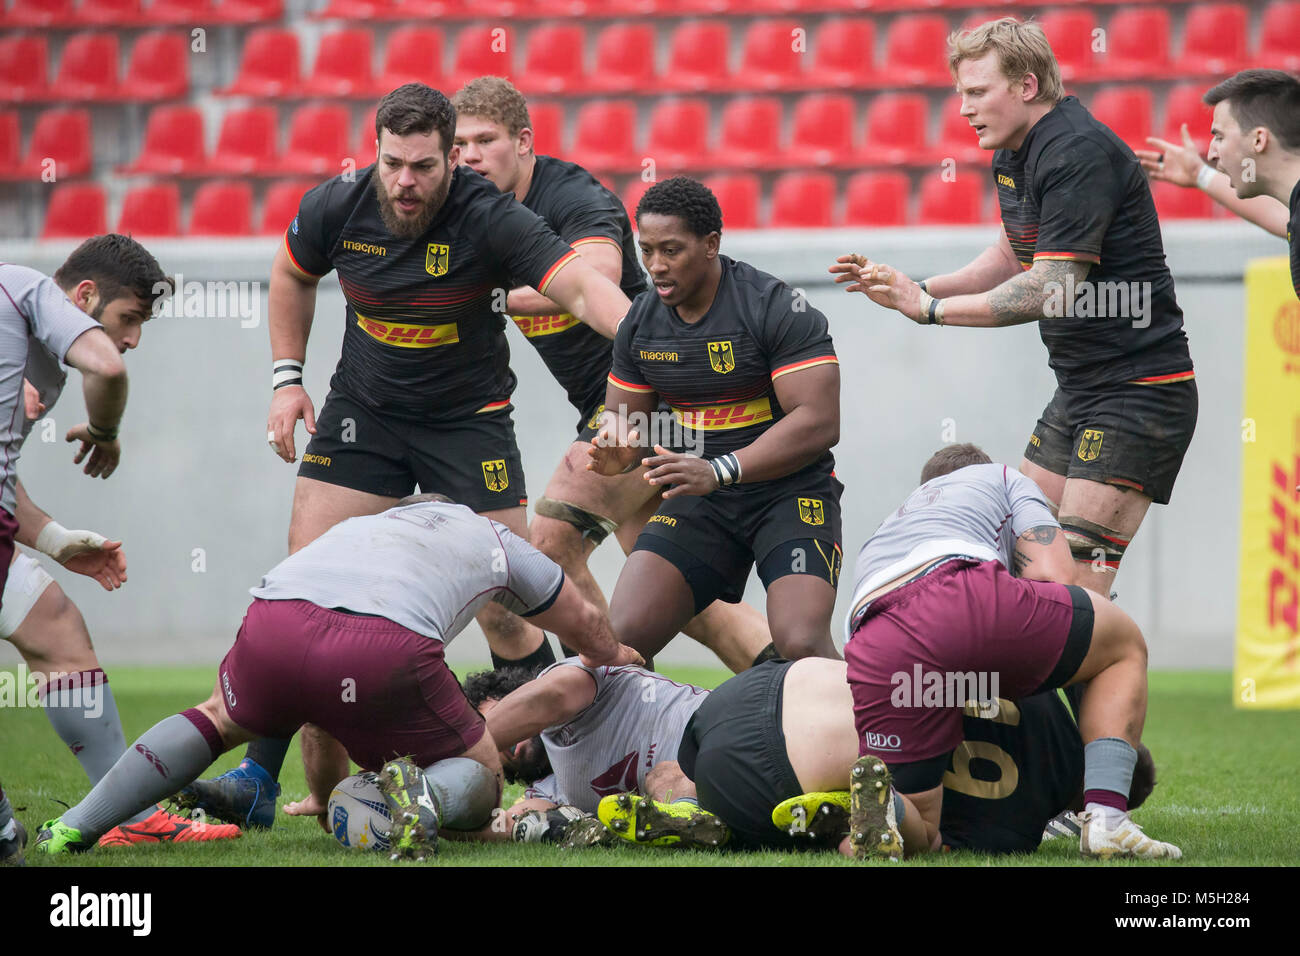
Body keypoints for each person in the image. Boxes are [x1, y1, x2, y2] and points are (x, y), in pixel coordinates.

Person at [203, 82, 638, 822]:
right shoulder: (336, 205)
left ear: (450, 162)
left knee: (509, 599)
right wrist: (286, 382)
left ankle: (550, 776)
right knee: (304, 593)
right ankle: (267, 784)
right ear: (376, 153)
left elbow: (584, 292)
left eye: (425, 167)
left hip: (466, 422)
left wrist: (641, 371)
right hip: (362, 420)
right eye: (393, 163)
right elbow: (291, 275)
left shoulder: (491, 216)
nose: (406, 181)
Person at [34, 495, 644, 859]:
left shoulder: (358, 527)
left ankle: (72, 828)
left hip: (275, 622)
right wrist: (612, 652)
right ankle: (423, 803)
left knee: (217, 718)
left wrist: (328, 802)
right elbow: (584, 620)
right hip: (386, 646)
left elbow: (321, 717)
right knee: (483, 771)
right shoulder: (493, 536)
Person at [832, 18, 1197, 600]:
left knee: (1074, 590)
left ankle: (1107, 677)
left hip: (1139, 390)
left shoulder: (1076, 151)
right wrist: (921, 287)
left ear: (1026, 87)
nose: (964, 109)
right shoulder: (1014, 152)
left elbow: (1048, 287)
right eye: (960, 94)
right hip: (1079, 389)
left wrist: (929, 311)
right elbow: (1012, 252)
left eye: (977, 92)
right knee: (1020, 560)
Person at [452, 76, 774, 673]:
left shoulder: (572, 196)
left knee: (550, 540)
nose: (468, 156)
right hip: (619, 409)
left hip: (661, 398)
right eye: (458, 145)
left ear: (523, 142)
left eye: (484, 140)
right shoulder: (474, 215)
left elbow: (595, 271)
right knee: (689, 598)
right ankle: (799, 687)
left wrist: (487, 296)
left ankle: (616, 711)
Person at [0, 237, 233, 862]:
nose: (131, 339)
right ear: (82, 297)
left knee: (57, 630)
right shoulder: (26, 292)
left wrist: (53, 540)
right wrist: (105, 431)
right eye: (128, 318)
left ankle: (132, 815)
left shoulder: (34, 357)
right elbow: (108, 367)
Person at [834, 444, 1178, 860]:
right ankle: (1107, 817)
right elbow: (1054, 577)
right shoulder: (1003, 478)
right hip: (959, 592)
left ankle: (874, 821)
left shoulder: (892, 523)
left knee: (922, 827)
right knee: (1121, 645)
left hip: (876, 644)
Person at [589, 177, 843, 663]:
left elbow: (818, 421)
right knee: (616, 646)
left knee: (801, 645)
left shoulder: (773, 306)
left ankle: (874, 735)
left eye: (671, 250)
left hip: (789, 493)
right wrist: (620, 454)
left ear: (711, 244)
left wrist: (720, 469)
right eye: (646, 251)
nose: (656, 266)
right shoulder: (640, 324)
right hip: (699, 498)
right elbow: (628, 427)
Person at [594, 657, 1155, 854]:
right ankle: (849, 816)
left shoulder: (1032, 678)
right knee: (919, 835)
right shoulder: (1018, 833)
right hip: (776, 781)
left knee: (677, 772)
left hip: (765, 689)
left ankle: (680, 801)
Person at [456, 660, 711, 845]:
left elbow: (553, 695)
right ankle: (697, 822)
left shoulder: (574, 684)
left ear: (518, 696)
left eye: (496, 719)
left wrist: (470, 744)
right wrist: (430, 814)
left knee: (663, 776)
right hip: (722, 790)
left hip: (722, 727)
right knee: (663, 779)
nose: (499, 741)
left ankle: (690, 814)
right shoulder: (546, 791)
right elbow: (506, 824)